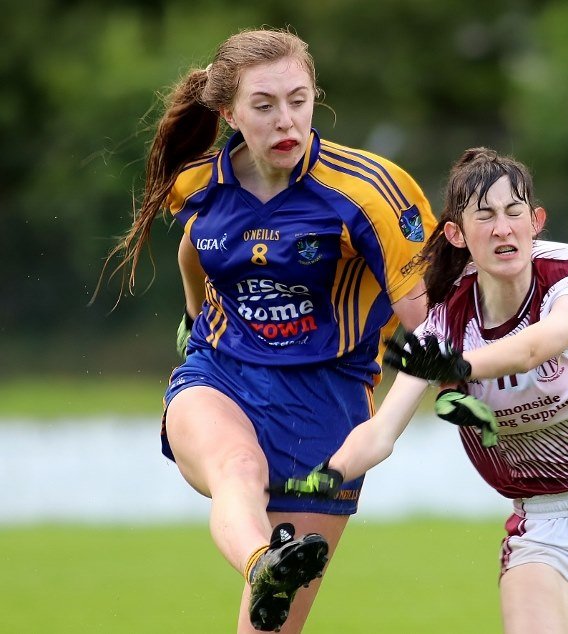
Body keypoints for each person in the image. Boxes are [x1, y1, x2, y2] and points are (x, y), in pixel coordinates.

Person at [282, 147, 568, 633]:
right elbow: (382, 432)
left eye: (514, 212)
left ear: (535, 221)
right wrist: (329, 473)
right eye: (485, 216)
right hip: (545, 526)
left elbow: (539, 345)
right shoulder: (445, 325)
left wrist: (457, 365)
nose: (502, 229)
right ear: (456, 233)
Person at [103, 28, 435, 633]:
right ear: (229, 112)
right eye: (264, 106)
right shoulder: (196, 183)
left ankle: (272, 567)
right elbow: (194, 249)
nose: (286, 120)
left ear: (315, 98)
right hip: (219, 374)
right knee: (236, 467)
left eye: (299, 100)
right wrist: (194, 320)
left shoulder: (367, 192)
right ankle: (263, 562)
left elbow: (428, 325)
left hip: (326, 408)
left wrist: (408, 414)